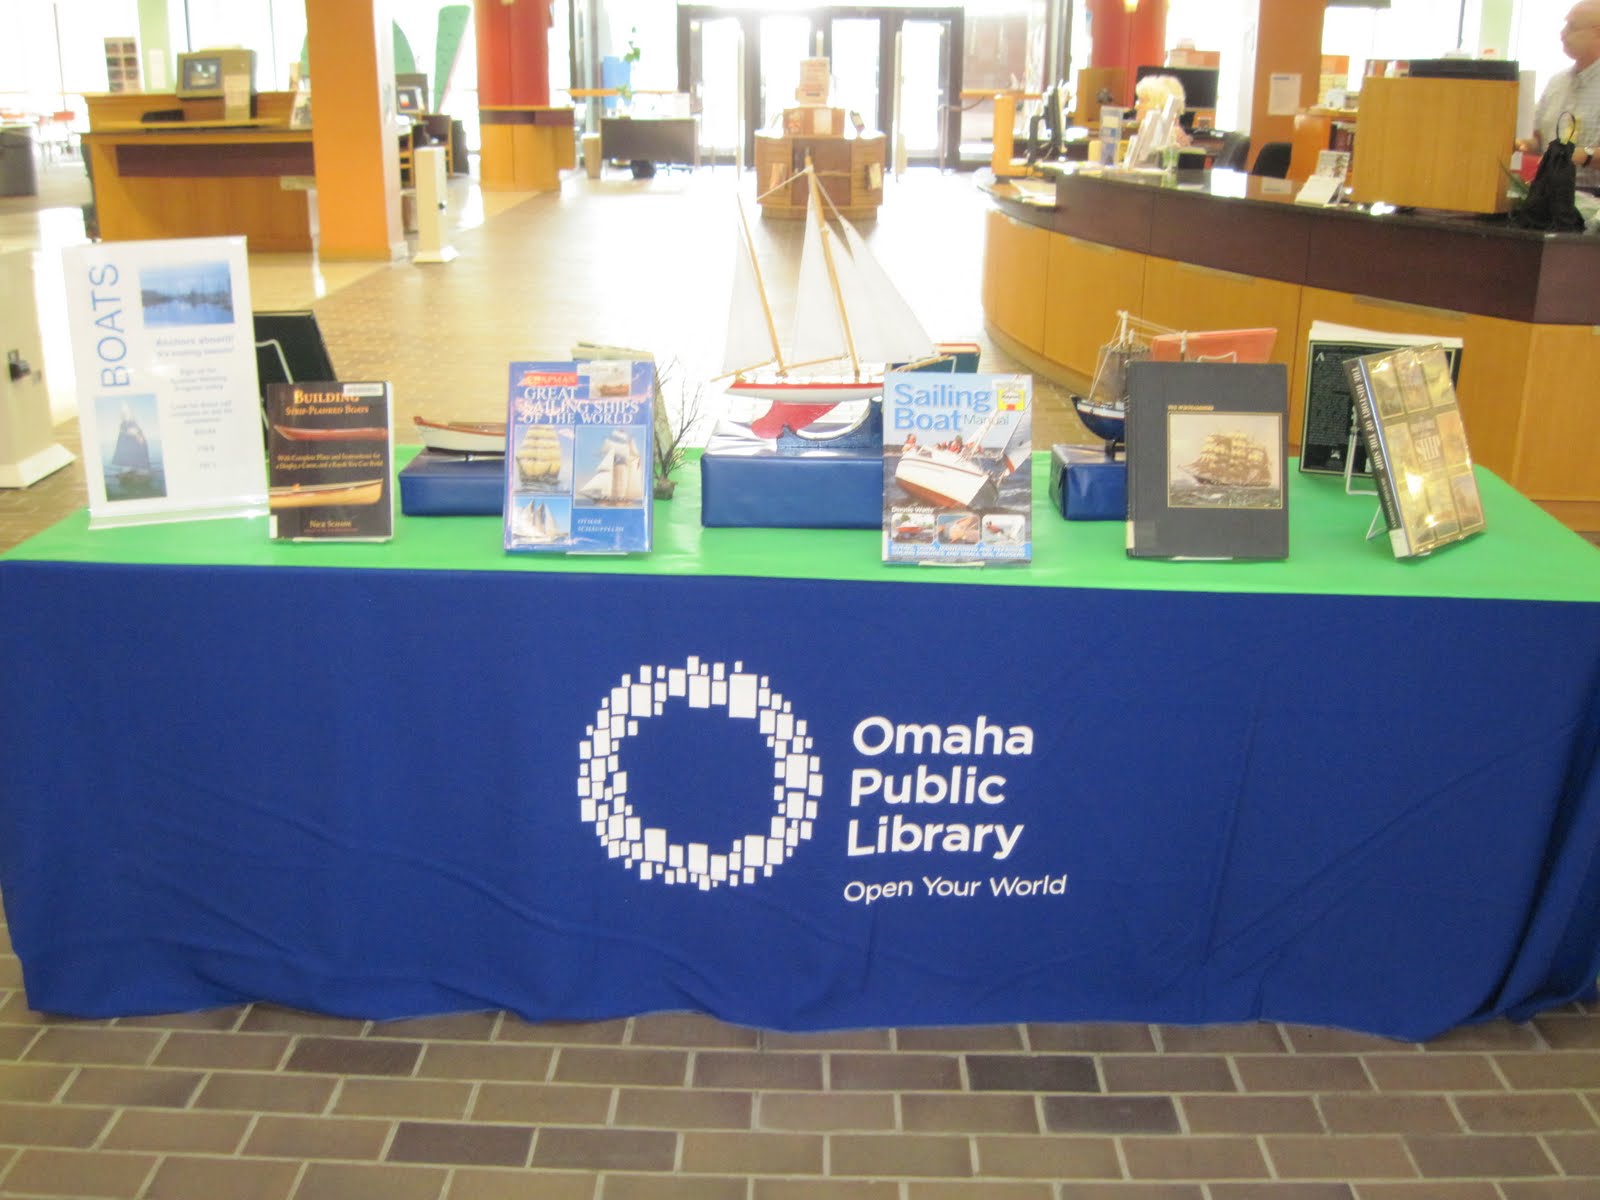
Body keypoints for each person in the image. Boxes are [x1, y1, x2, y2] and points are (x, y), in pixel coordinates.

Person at [1520, 1, 1600, 193]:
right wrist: (1518, 142)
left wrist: (1581, 156)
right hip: (1546, 194)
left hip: (1593, 197)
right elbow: (1537, 138)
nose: (1562, 34)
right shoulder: (1557, 82)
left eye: (1572, 27)